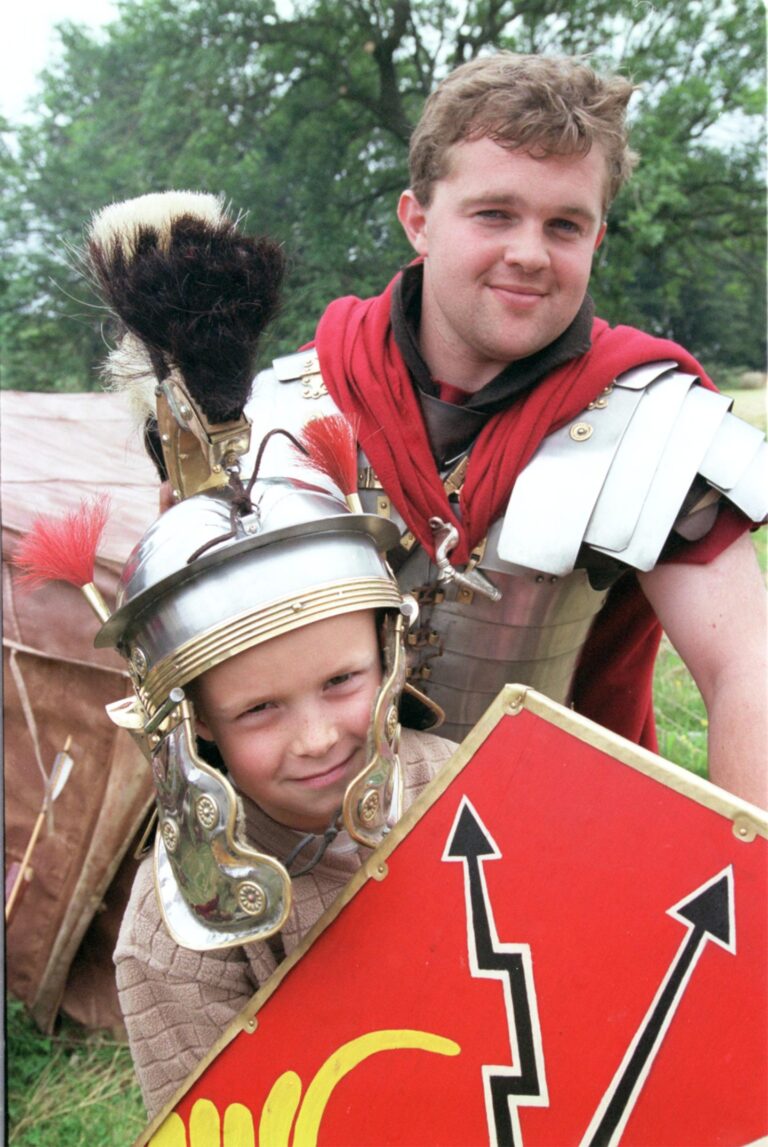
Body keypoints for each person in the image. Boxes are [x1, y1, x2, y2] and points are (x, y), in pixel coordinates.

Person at [240, 52, 767, 808]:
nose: (528, 252)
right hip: (309, 844)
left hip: (554, 837)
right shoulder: (290, 408)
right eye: (495, 214)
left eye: (564, 225)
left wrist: (753, 895)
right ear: (418, 220)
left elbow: (745, 666)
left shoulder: (655, 421)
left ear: (597, 240)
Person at [99, 474, 456, 1118]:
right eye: (260, 709)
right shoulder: (173, 937)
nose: (317, 740)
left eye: (341, 680)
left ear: (386, 653)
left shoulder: (466, 785)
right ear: (197, 721)